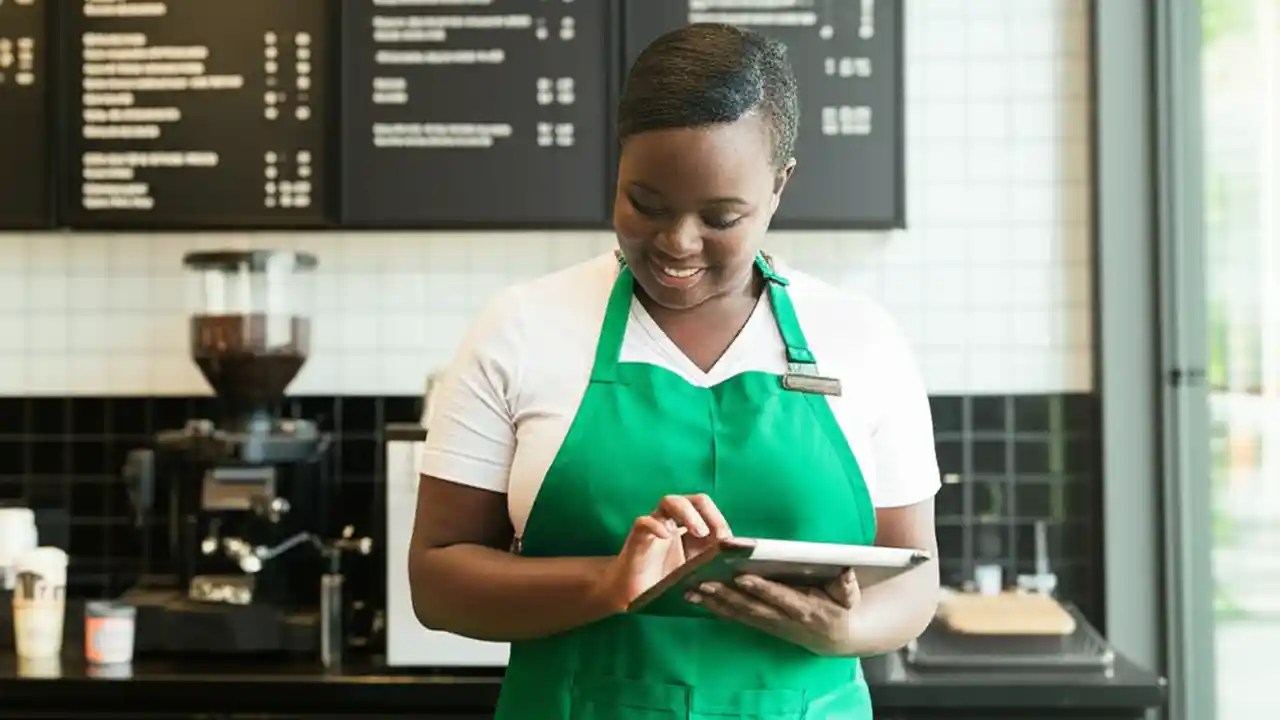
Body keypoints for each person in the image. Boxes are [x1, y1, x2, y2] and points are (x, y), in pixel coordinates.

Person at [409, 22, 941, 719]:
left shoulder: (864, 339)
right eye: (645, 204)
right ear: (618, 168)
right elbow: (437, 580)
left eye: (722, 216)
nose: (676, 244)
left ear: (779, 188)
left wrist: (845, 629)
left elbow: (916, 579)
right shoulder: (521, 329)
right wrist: (608, 584)